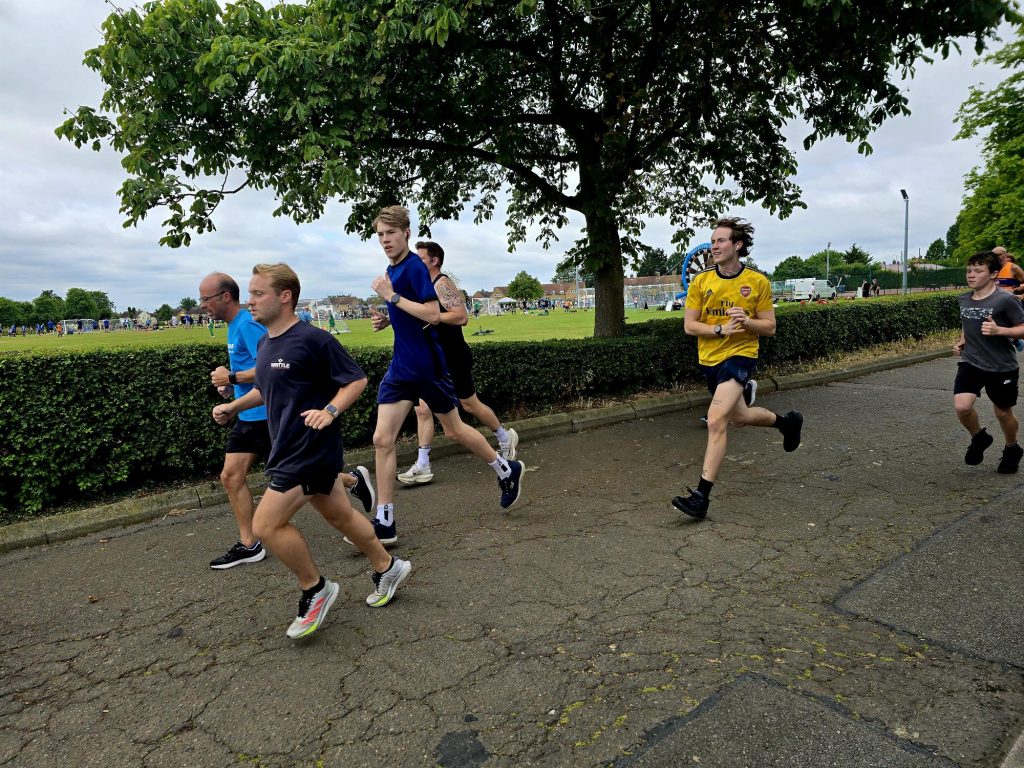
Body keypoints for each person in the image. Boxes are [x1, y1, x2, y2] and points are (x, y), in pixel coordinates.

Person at [213, 263, 410, 639]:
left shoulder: (313, 340)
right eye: (250, 293)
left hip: (309, 448)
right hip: (287, 446)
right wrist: (233, 407)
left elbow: (356, 380)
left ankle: (315, 589)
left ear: (285, 296)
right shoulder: (265, 343)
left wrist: (330, 410)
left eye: (258, 293)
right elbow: (267, 389)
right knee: (341, 515)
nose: (250, 300)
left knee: (265, 525)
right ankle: (388, 567)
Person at [363, 206, 524, 546]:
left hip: (427, 368)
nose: (385, 240)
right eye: (380, 235)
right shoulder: (392, 270)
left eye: (391, 233)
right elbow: (410, 313)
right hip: (401, 367)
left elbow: (434, 314)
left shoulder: (415, 268)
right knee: (382, 439)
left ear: (406, 233)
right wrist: (388, 318)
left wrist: (391, 296)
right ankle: (385, 519)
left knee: (454, 429)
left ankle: (505, 469)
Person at [673, 217, 803, 519]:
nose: (714, 246)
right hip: (710, 359)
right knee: (740, 417)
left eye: (721, 241)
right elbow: (690, 326)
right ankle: (787, 423)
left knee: (716, 419)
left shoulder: (757, 282)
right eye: (713, 241)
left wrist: (747, 322)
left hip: (741, 355)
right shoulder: (701, 281)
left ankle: (701, 497)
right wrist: (720, 330)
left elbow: (769, 327)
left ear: (737, 245)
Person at [395, 241, 519, 486]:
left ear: (434, 261)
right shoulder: (421, 288)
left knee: (469, 404)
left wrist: (434, 316)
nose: (415, 263)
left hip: (453, 355)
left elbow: (461, 317)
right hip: (431, 359)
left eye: (421, 259)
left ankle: (506, 438)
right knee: (422, 408)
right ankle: (423, 464)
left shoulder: (442, 283)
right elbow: (416, 316)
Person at [952, 250, 1024, 473]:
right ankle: (979, 437)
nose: (971, 275)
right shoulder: (964, 299)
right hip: (971, 361)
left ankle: (1012, 448)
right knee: (962, 406)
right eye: (969, 270)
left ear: (993, 274)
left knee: (1002, 413)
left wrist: (999, 330)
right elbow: (967, 322)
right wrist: (962, 341)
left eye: (978, 270)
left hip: (1001, 366)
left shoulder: (1006, 300)